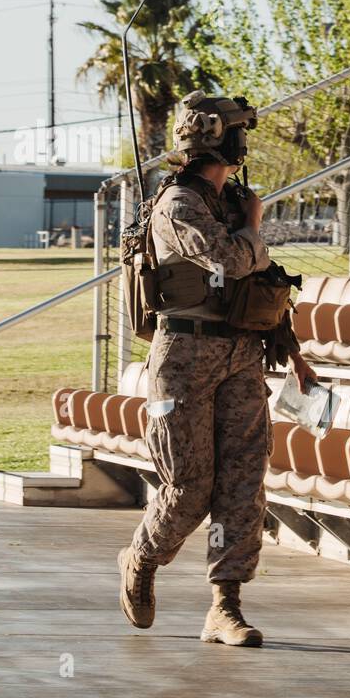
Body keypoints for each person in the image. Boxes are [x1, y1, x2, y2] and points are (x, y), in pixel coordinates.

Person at [117, 91, 316, 647]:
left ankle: (225, 606)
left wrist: (295, 355)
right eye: (240, 133)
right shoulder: (179, 203)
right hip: (182, 359)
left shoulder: (231, 201)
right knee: (188, 487)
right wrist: (254, 226)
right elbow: (230, 260)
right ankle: (142, 556)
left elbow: (260, 284)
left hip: (241, 355)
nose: (244, 144)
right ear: (221, 138)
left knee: (243, 482)